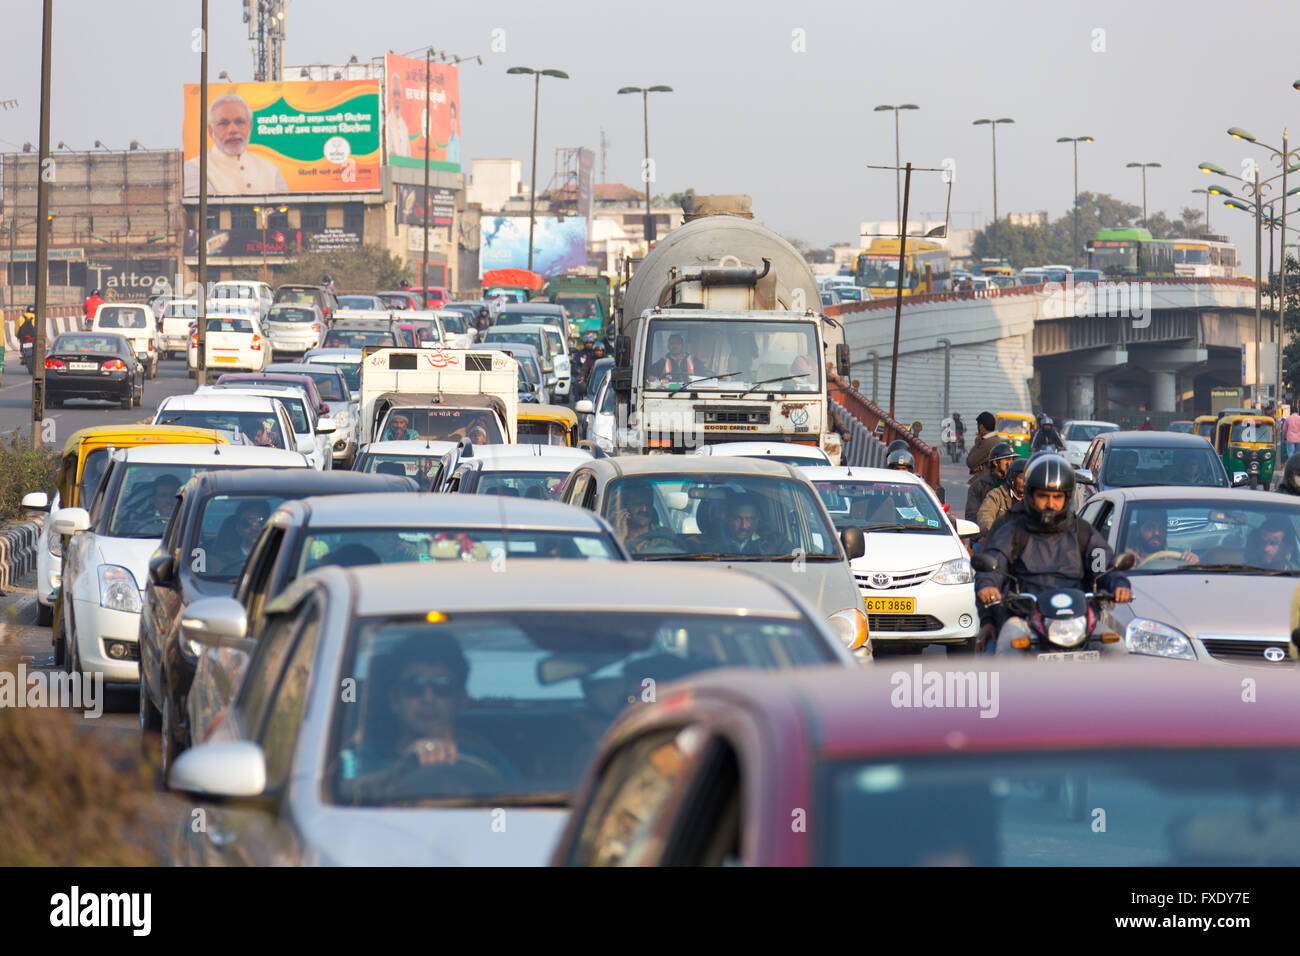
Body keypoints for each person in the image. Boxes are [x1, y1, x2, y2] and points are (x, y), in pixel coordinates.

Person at [974, 455, 1133, 655]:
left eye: (1057, 497)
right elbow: (994, 562)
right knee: (1007, 645)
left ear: (1067, 498)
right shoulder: (1012, 531)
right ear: (1031, 496)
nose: (1050, 504)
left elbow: (1103, 563)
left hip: (1078, 619)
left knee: (1117, 649)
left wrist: (1118, 584)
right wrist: (988, 585)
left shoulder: (1082, 532)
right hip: (1024, 618)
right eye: (1043, 496)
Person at [338, 633, 505, 791]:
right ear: (395, 700)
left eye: (442, 687)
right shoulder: (358, 760)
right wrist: (402, 771)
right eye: (414, 687)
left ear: (461, 701)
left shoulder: (489, 759)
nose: (428, 698)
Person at [182, 92, 289, 196]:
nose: (233, 130)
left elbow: (287, 209)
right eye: (224, 123)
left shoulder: (270, 169)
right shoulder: (195, 168)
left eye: (239, 122)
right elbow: (202, 211)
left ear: (250, 126)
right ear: (211, 131)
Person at [212, 499, 271, 575]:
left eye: (261, 520)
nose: (254, 527)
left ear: (269, 524)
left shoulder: (281, 558)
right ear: (238, 528)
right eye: (247, 522)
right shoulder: (217, 562)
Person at [1123, 509, 1199, 567]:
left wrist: (1193, 562)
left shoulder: (1176, 561)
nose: (1157, 532)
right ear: (1138, 531)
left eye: (1161, 527)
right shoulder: (1126, 559)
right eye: (1150, 527)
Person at [965, 442, 1015, 523]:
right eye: (1007, 460)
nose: (1011, 463)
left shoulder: (1016, 484)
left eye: (1013, 460)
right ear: (995, 462)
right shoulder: (979, 485)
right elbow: (971, 517)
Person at [977, 455, 1027, 536]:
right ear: (1012, 479)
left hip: (1028, 541)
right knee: (978, 547)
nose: (1026, 481)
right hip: (1003, 539)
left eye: (1029, 477)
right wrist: (990, 527)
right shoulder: (997, 495)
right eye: (1022, 477)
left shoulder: (1035, 497)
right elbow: (985, 514)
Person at [618, 485, 666, 553]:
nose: (644, 509)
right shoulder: (613, 536)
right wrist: (621, 536)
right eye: (638, 504)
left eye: (648, 504)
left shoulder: (665, 536)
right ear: (625, 508)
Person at [386, 73, 412, 159]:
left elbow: (408, 155)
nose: (397, 98)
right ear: (391, 96)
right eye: (394, 94)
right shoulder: (387, 123)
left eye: (398, 94)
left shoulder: (404, 126)